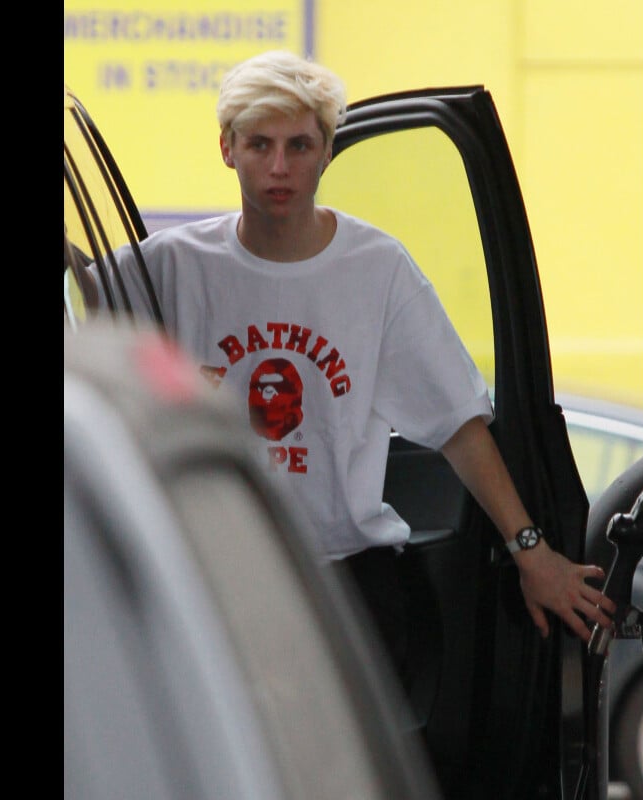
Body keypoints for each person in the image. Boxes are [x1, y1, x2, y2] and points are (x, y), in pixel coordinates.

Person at [120, 49, 614, 678]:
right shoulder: (167, 266)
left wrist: (530, 551)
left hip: (351, 585)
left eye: (299, 146)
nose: (279, 167)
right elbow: (82, 303)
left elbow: (457, 425)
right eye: (259, 145)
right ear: (226, 149)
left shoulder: (376, 270)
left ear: (327, 152)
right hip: (213, 581)